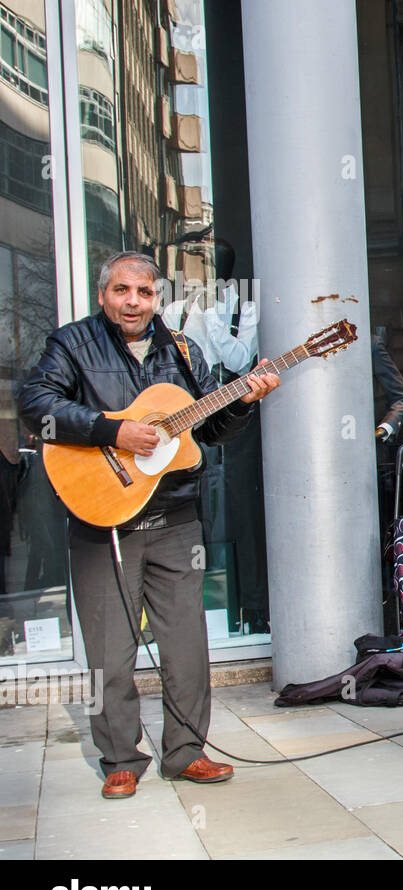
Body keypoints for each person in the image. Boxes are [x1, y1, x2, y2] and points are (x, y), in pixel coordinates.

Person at [19, 251, 280, 798]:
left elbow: (208, 430)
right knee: (110, 650)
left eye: (143, 292)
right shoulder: (72, 343)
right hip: (103, 522)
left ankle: (186, 752)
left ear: (156, 298)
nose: (132, 301)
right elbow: (36, 404)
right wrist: (111, 432)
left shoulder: (183, 350)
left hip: (175, 518)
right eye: (121, 290)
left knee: (186, 644)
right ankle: (120, 757)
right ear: (103, 295)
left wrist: (244, 402)